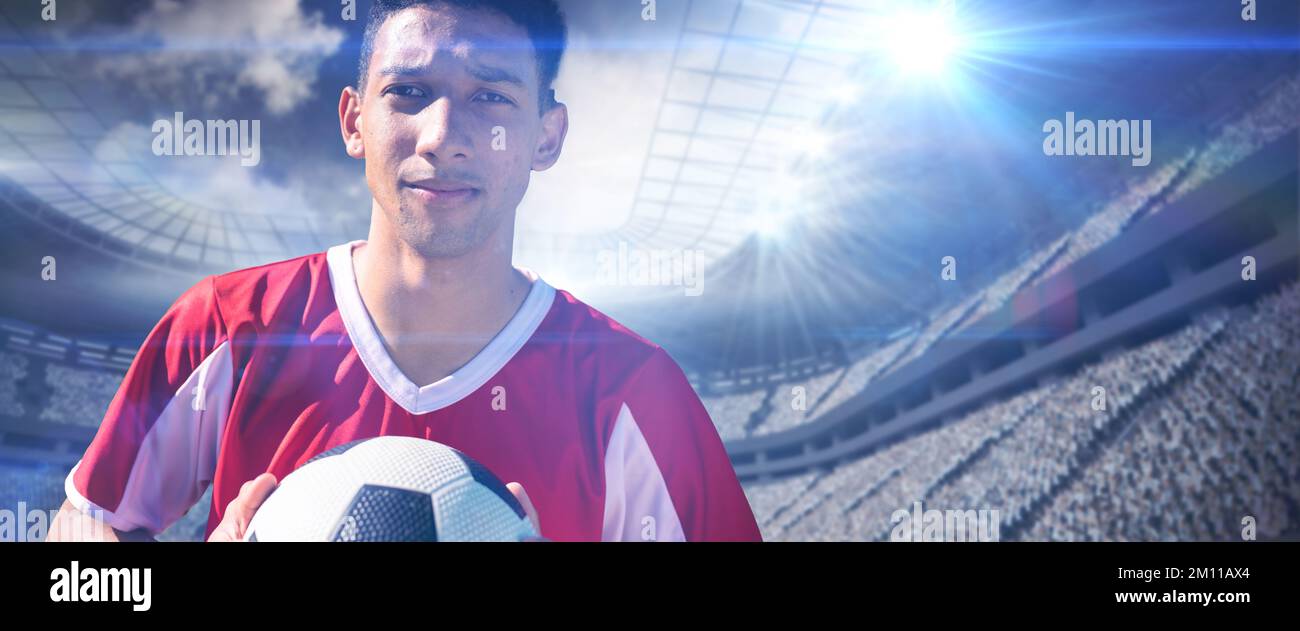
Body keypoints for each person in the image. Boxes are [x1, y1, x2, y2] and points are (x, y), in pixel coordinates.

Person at [47, 0, 760, 542]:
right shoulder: (230, 325)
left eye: (491, 97)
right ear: (354, 121)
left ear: (547, 136)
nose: (443, 136)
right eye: (408, 93)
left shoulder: (633, 390)